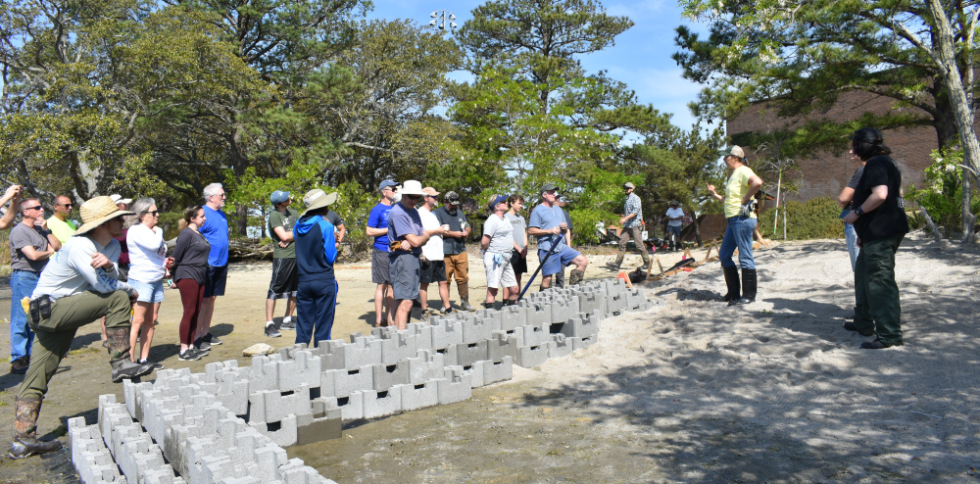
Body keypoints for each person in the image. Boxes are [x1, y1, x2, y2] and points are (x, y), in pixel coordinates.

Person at [9, 196, 153, 460]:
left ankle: (22, 440)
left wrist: (111, 268)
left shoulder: (108, 246)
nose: (124, 221)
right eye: (119, 218)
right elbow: (103, 288)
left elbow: (109, 277)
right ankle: (120, 361)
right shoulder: (79, 246)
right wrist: (130, 289)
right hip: (49, 310)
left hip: (62, 309)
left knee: (38, 374)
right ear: (104, 223)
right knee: (119, 298)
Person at [841, 127, 909, 349]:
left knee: (879, 281)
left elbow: (880, 195)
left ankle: (889, 335)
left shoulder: (876, 163)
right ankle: (863, 322)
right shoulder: (885, 163)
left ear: (863, 145)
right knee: (863, 276)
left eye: (854, 146)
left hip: (882, 232)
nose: (852, 151)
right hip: (874, 232)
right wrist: (864, 233)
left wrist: (856, 213)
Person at [8, 198, 62, 375]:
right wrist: (47, 252)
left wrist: (47, 230)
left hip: (41, 278)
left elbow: (57, 246)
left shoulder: (40, 230)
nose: (41, 210)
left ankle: (32, 355)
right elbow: (32, 255)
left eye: (41, 207)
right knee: (21, 318)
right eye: (37, 207)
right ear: (25, 211)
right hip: (24, 277)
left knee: (37, 316)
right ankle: (18, 358)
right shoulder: (19, 231)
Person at [707, 145, 763, 306]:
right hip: (732, 220)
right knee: (724, 254)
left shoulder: (744, 171)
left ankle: (749, 296)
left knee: (745, 256)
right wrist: (715, 194)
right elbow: (730, 200)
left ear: (735, 158)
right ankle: (733, 293)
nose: (724, 160)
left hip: (743, 219)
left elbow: (757, 182)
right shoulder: (734, 175)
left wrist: (746, 199)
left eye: (726, 157)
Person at [126, 198, 171, 369]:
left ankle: (143, 359)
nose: (157, 215)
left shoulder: (154, 231)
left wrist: (166, 263)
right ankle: (129, 362)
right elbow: (153, 245)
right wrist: (158, 231)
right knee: (137, 321)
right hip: (141, 281)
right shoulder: (136, 231)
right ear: (142, 214)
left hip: (156, 280)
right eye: (154, 212)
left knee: (151, 320)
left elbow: (159, 253)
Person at [293, 189, 339, 347]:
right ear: (323, 206)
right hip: (324, 280)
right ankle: (321, 362)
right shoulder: (325, 226)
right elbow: (330, 257)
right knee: (323, 327)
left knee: (303, 327)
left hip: (304, 281)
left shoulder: (297, 227)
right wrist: (334, 242)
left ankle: (299, 360)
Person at [527, 183, 589, 288]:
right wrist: (549, 231)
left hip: (561, 247)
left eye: (554, 192)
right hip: (547, 249)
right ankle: (544, 301)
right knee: (547, 279)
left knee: (583, 261)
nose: (554, 194)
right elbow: (531, 231)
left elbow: (565, 230)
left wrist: (564, 228)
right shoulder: (537, 210)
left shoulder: (558, 210)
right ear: (544, 195)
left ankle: (572, 289)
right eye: (551, 192)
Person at [388, 180, 430, 329]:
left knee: (403, 300)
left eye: (417, 198)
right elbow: (417, 240)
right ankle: (401, 338)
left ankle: (398, 337)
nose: (414, 200)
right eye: (412, 197)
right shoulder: (399, 213)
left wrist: (419, 239)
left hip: (412, 258)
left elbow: (423, 236)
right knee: (406, 301)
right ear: (404, 195)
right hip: (403, 259)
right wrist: (418, 239)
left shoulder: (414, 211)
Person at [170, 206, 210, 361]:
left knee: (196, 312)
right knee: (189, 312)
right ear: (192, 218)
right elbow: (175, 257)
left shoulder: (198, 234)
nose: (204, 218)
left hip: (200, 275)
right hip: (187, 275)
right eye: (201, 216)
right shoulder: (186, 234)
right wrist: (171, 277)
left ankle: (192, 346)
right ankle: (183, 349)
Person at [197, 183, 228, 351]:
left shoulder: (221, 214)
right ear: (211, 197)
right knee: (203, 300)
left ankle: (206, 332)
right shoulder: (202, 213)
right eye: (221, 195)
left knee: (212, 299)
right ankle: (197, 336)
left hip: (221, 263)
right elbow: (194, 235)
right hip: (207, 264)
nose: (224, 197)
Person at [265, 190, 298, 338]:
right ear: (279, 204)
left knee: (296, 290)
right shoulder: (274, 216)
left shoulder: (294, 213)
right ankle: (269, 324)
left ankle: (287, 319)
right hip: (283, 257)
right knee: (275, 289)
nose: (289, 199)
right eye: (285, 198)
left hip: (297, 256)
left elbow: (303, 230)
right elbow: (283, 236)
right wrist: (293, 236)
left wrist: (291, 237)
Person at [435, 191, 474, 311]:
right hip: (444, 251)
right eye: (452, 204)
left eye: (456, 204)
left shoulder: (459, 213)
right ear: (445, 202)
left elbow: (466, 225)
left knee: (463, 277)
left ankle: (465, 302)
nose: (454, 206)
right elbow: (438, 230)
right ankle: (445, 304)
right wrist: (453, 234)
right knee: (445, 279)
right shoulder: (437, 213)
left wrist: (467, 231)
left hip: (460, 250)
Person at [366, 180, 397, 327]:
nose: (396, 191)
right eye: (393, 189)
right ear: (384, 192)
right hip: (381, 251)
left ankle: (389, 318)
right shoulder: (377, 209)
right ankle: (379, 320)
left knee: (392, 286)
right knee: (382, 285)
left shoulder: (396, 209)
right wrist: (387, 230)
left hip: (395, 251)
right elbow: (369, 231)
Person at [482, 195, 518, 307]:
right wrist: (493, 251)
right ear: (497, 206)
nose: (506, 203)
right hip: (495, 257)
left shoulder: (505, 218)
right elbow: (484, 242)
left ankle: (511, 314)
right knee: (493, 289)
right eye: (503, 202)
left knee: (514, 289)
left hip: (506, 257)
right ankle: (490, 317)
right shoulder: (492, 221)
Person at [418, 187, 450, 316]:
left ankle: (448, 309)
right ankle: (424, 311)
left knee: (443, 282)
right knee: (424, 283)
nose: (436, 199)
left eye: (436, 196)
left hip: (438, 254)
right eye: (434, 197)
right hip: (427, 254)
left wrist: (441, 230)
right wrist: (438, 230)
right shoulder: (420, 213)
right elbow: (420, 232)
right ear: (425, 198)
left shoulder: (433, 214)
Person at [609, 182, 651, 270]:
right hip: (627, 225)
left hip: (635, 225)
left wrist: (624, 218)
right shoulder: (626, 199)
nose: (626, 189)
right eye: (625, 188)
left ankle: (647, 263)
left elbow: (635, 212)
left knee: (639, 244)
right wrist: (625, 220)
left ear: (632, 189)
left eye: (628, 188)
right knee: (621, 243)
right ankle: (617, 264)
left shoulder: (636, 198)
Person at [838, 153, 867, 271]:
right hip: (850, 218)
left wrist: (843, 199)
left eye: (855, 147)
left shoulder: (862, 171)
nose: (850, 151)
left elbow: (842, 199)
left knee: (858, 265)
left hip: (855, 222)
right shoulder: (862, 171)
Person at [504, 195, 528, 300]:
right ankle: (507, 300)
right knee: (509, 277)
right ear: (511, 203)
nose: (521, 206)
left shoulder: (521, 218)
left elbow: (524, 233)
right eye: (519, 203)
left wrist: (525, 248)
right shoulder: (505, 218)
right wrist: (518, 249)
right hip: (511, 251)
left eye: (522, 203)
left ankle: (517, 298)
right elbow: (507, 236)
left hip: (522, 252)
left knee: (519, 276)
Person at [553, 196, 575, 288]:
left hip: (561, 247)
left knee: (560, 274)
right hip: (548, 248)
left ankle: (559, 293)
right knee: (547, 276)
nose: (557, 200)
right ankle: (545, 295)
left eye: (558, 198)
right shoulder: (545, 212)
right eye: (555, 198)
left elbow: (568, 231)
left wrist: (569, 247)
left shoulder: (564, 214)